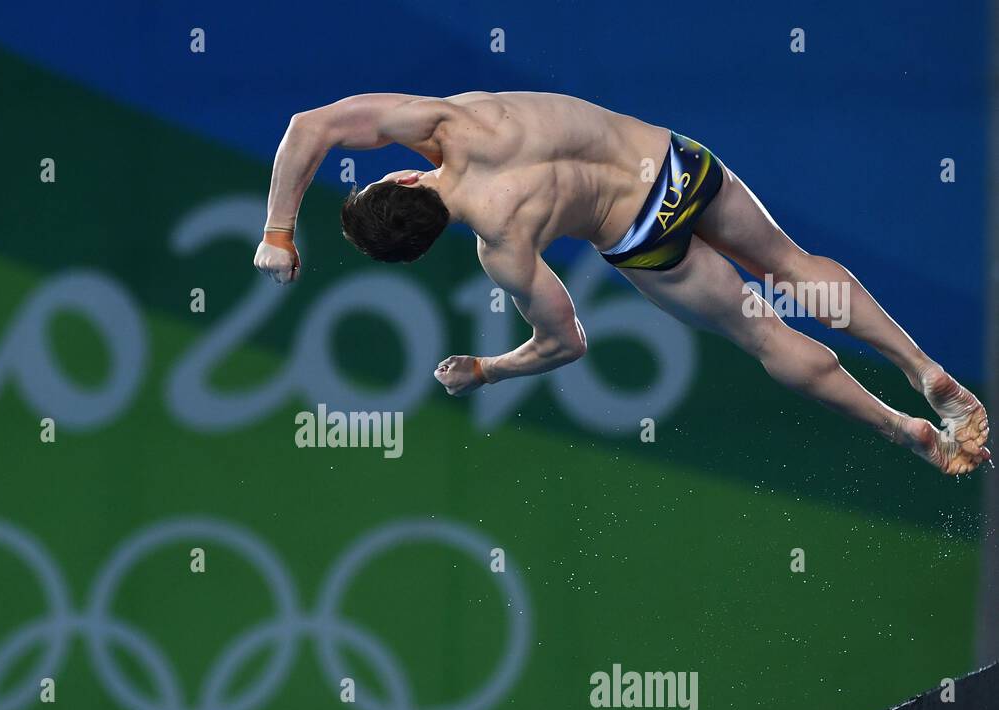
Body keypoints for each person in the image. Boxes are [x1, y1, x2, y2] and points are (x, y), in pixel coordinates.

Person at [254, 92, 989, 475]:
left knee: (763, 334)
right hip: (674, 166)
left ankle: (904, 431)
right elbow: (308, 126)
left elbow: (566, 342)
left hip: (643, 238)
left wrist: (489, 369)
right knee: (792, 267)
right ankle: (923, 370)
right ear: (404, 172)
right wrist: (277, 233)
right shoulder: (454, 120)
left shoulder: (502, 249)